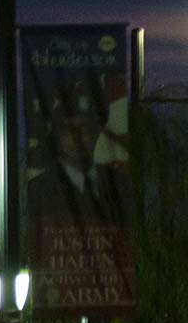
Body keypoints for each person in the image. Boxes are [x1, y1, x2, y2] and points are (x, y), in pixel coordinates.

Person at [26, 81, 131, 230]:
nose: (77, 138)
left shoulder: (122, 185)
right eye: (67, 130)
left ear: (96, 133)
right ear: (56, 136)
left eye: (84, 128)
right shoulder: (36, 190)